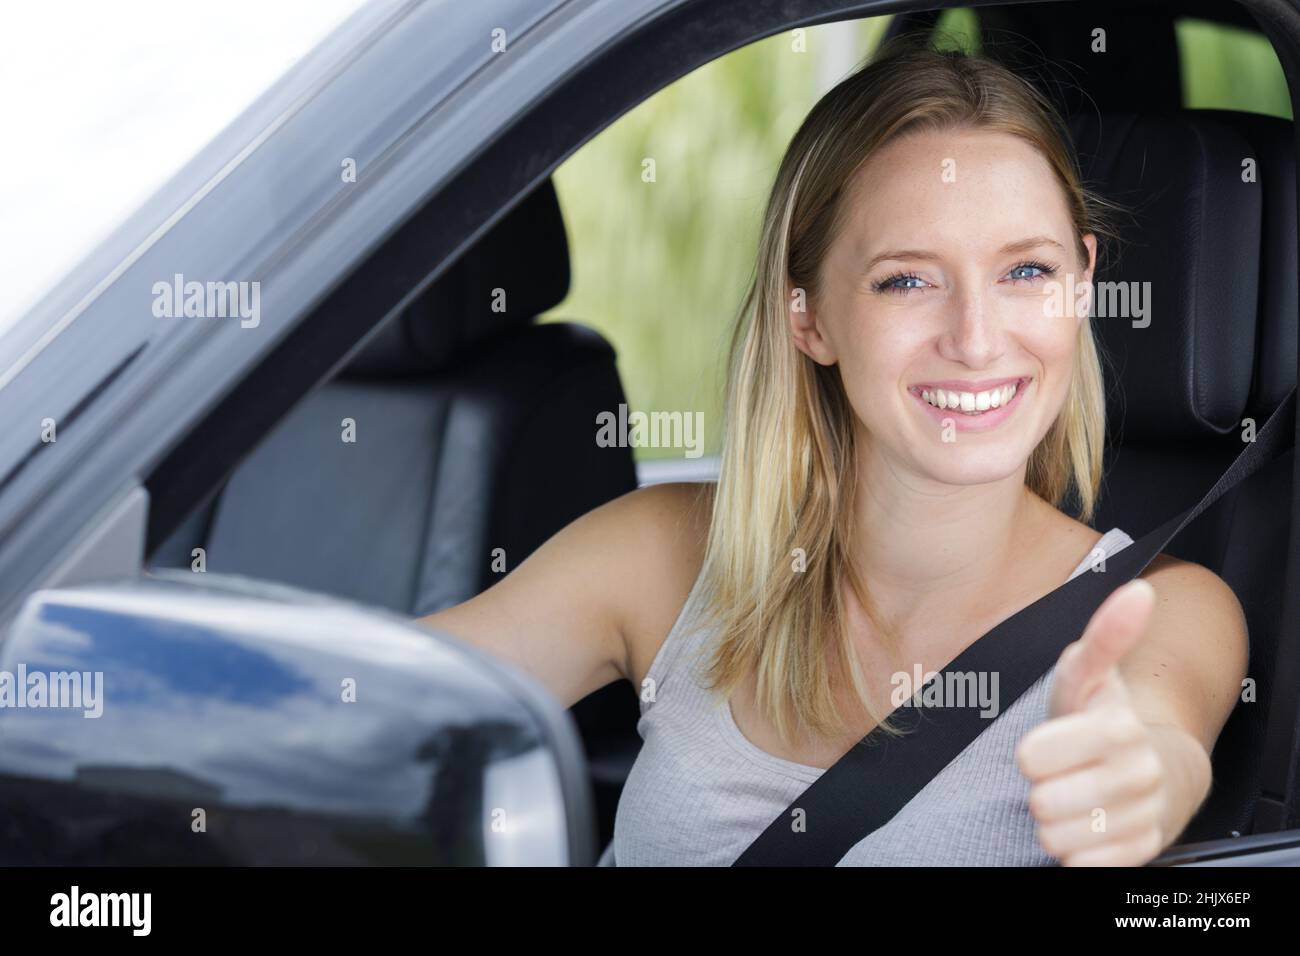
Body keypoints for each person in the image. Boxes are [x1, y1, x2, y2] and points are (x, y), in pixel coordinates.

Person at [419, 40, 1248, 866]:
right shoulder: (663, 553)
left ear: (1083, 283)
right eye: (907, 280)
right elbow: (371, 706)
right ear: (807, 315)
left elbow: (1157, 737)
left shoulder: (1162, 610)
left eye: (1026, 270)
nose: (976, 339)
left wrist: (1138, 778)